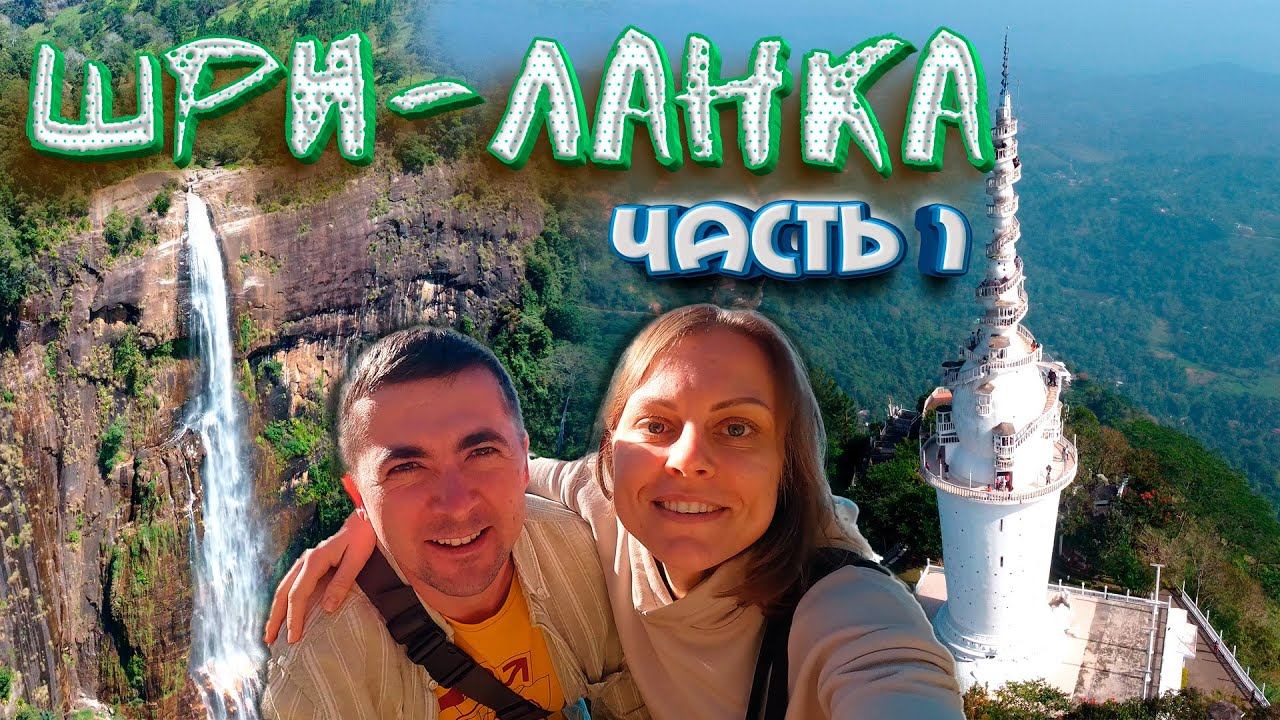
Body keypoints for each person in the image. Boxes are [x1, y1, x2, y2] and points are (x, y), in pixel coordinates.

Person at [268, 305, 964, 719]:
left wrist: (393, 502)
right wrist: (377, 519)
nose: (687, 461)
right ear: (613, 452)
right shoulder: (603, 511)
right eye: (657, 425)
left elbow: (892, 674)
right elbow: (506, 478)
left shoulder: (840, 606)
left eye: (737, 428)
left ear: (790, 461)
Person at [260, 327, 647, 720]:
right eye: (406, 468)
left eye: (482, 452)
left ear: (523, 462)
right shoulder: (322, 665)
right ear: (359, 497)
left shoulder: (588, 563)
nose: (457, 506)